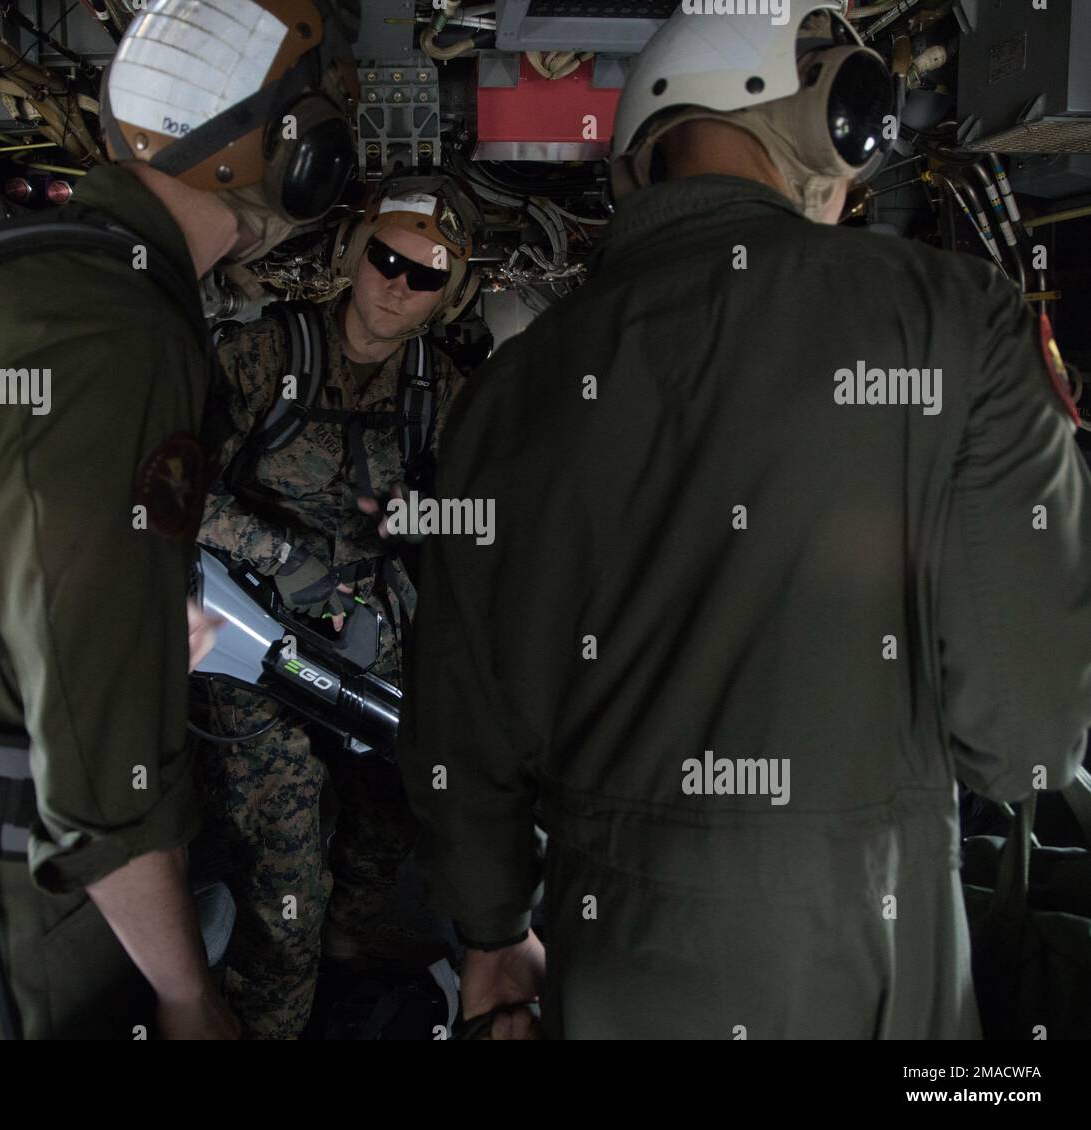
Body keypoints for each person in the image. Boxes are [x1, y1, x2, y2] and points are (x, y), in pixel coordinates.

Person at [399, 4, 1091, 1039]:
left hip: (610, 963)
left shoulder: (506, 395)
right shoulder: (961, 320)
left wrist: (493, 937)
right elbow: (1026, 743)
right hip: (867, 964)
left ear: (640, 161)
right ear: (817, 120)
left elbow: (456, 732)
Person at [0, 0, 357, 1040]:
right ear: (280, 147)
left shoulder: (72, 282)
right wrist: (186, 991)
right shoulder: (109, 326)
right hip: (9, 908)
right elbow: (87, 721)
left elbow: (39, 590)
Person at [193, 171, 481, 1038]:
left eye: (426, 274)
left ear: (444, 296)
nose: (399, 283)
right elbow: (170, 495)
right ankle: (272, 1018)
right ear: (357, 255)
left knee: (394, 824)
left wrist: (410, 554)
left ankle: (350, 995)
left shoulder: (442, 391)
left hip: (372, 639)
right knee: (288, 883)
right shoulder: (265, 356)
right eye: (387, 258)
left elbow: (474, 517)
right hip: (256, 640)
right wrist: (282, 559)